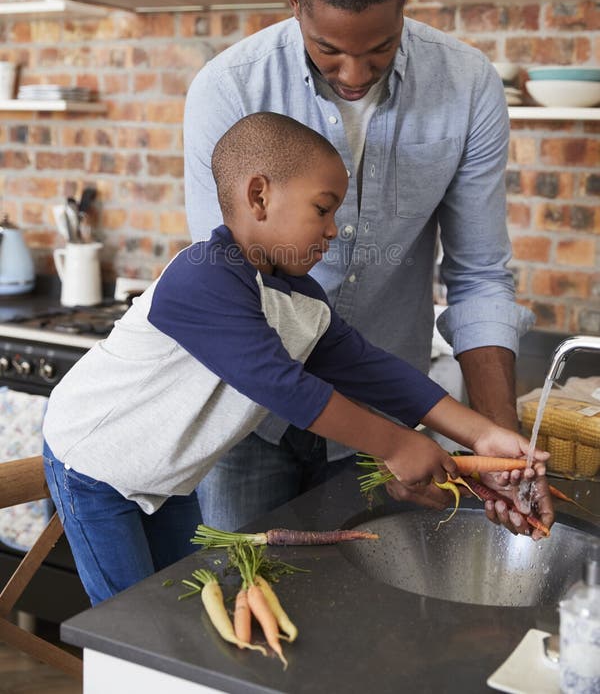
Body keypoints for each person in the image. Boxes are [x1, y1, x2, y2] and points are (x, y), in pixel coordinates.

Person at [43, 114, 550, 606]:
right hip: (94, 464)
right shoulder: (201, 276)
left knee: (183, 605)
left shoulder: (297, 297)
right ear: (259, 196)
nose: (334, 230)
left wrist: (481, 434)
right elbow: (282, 385)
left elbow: (368, 367)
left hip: (165, 476)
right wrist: (397, 442)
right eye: (323, 209)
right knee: (128, 620)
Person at [184, 0, 541, 534]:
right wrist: (396, 439)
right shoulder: (228, 90)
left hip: (383, 408)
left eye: (380, 48)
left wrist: (494, 446)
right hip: (249, 421)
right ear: (294, 1)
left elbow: (480, 274)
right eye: (328, 50)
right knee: (243, 606)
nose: (353, 75)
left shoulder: (468, 86)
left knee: (367, 618)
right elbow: (244, 314)